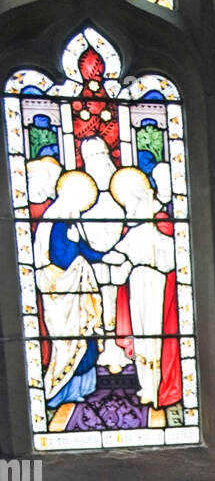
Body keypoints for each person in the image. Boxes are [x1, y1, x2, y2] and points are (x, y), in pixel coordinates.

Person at [34, 170, 123, 432]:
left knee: (85, 335)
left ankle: (83, 387)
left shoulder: (69, 220)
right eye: (82, 199)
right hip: (60, 289)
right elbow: (61, 258)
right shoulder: (57, 221)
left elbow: (84, 250)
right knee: (68, 340)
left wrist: (106, 256)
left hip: (76, 287)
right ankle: (62, 391)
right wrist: (80, 253)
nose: (83, 206)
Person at [109, 166, 180, 426]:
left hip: (158, 287)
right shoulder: (136, 232)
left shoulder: (164, 225)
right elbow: (116, 260)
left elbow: (173, 257)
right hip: (138, 285)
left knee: (156, 336)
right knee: (142, 337)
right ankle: (146, 386)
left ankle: (157, 387)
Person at [79, 136, 128, 373]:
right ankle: (106, 349)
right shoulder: (82, 200)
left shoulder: (120, 196)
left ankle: (118, 349)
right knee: (98, 308)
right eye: (93, 161)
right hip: (94, 266)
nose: (99, 167)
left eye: (103, 159)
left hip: (119, 264)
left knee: (117, 307)